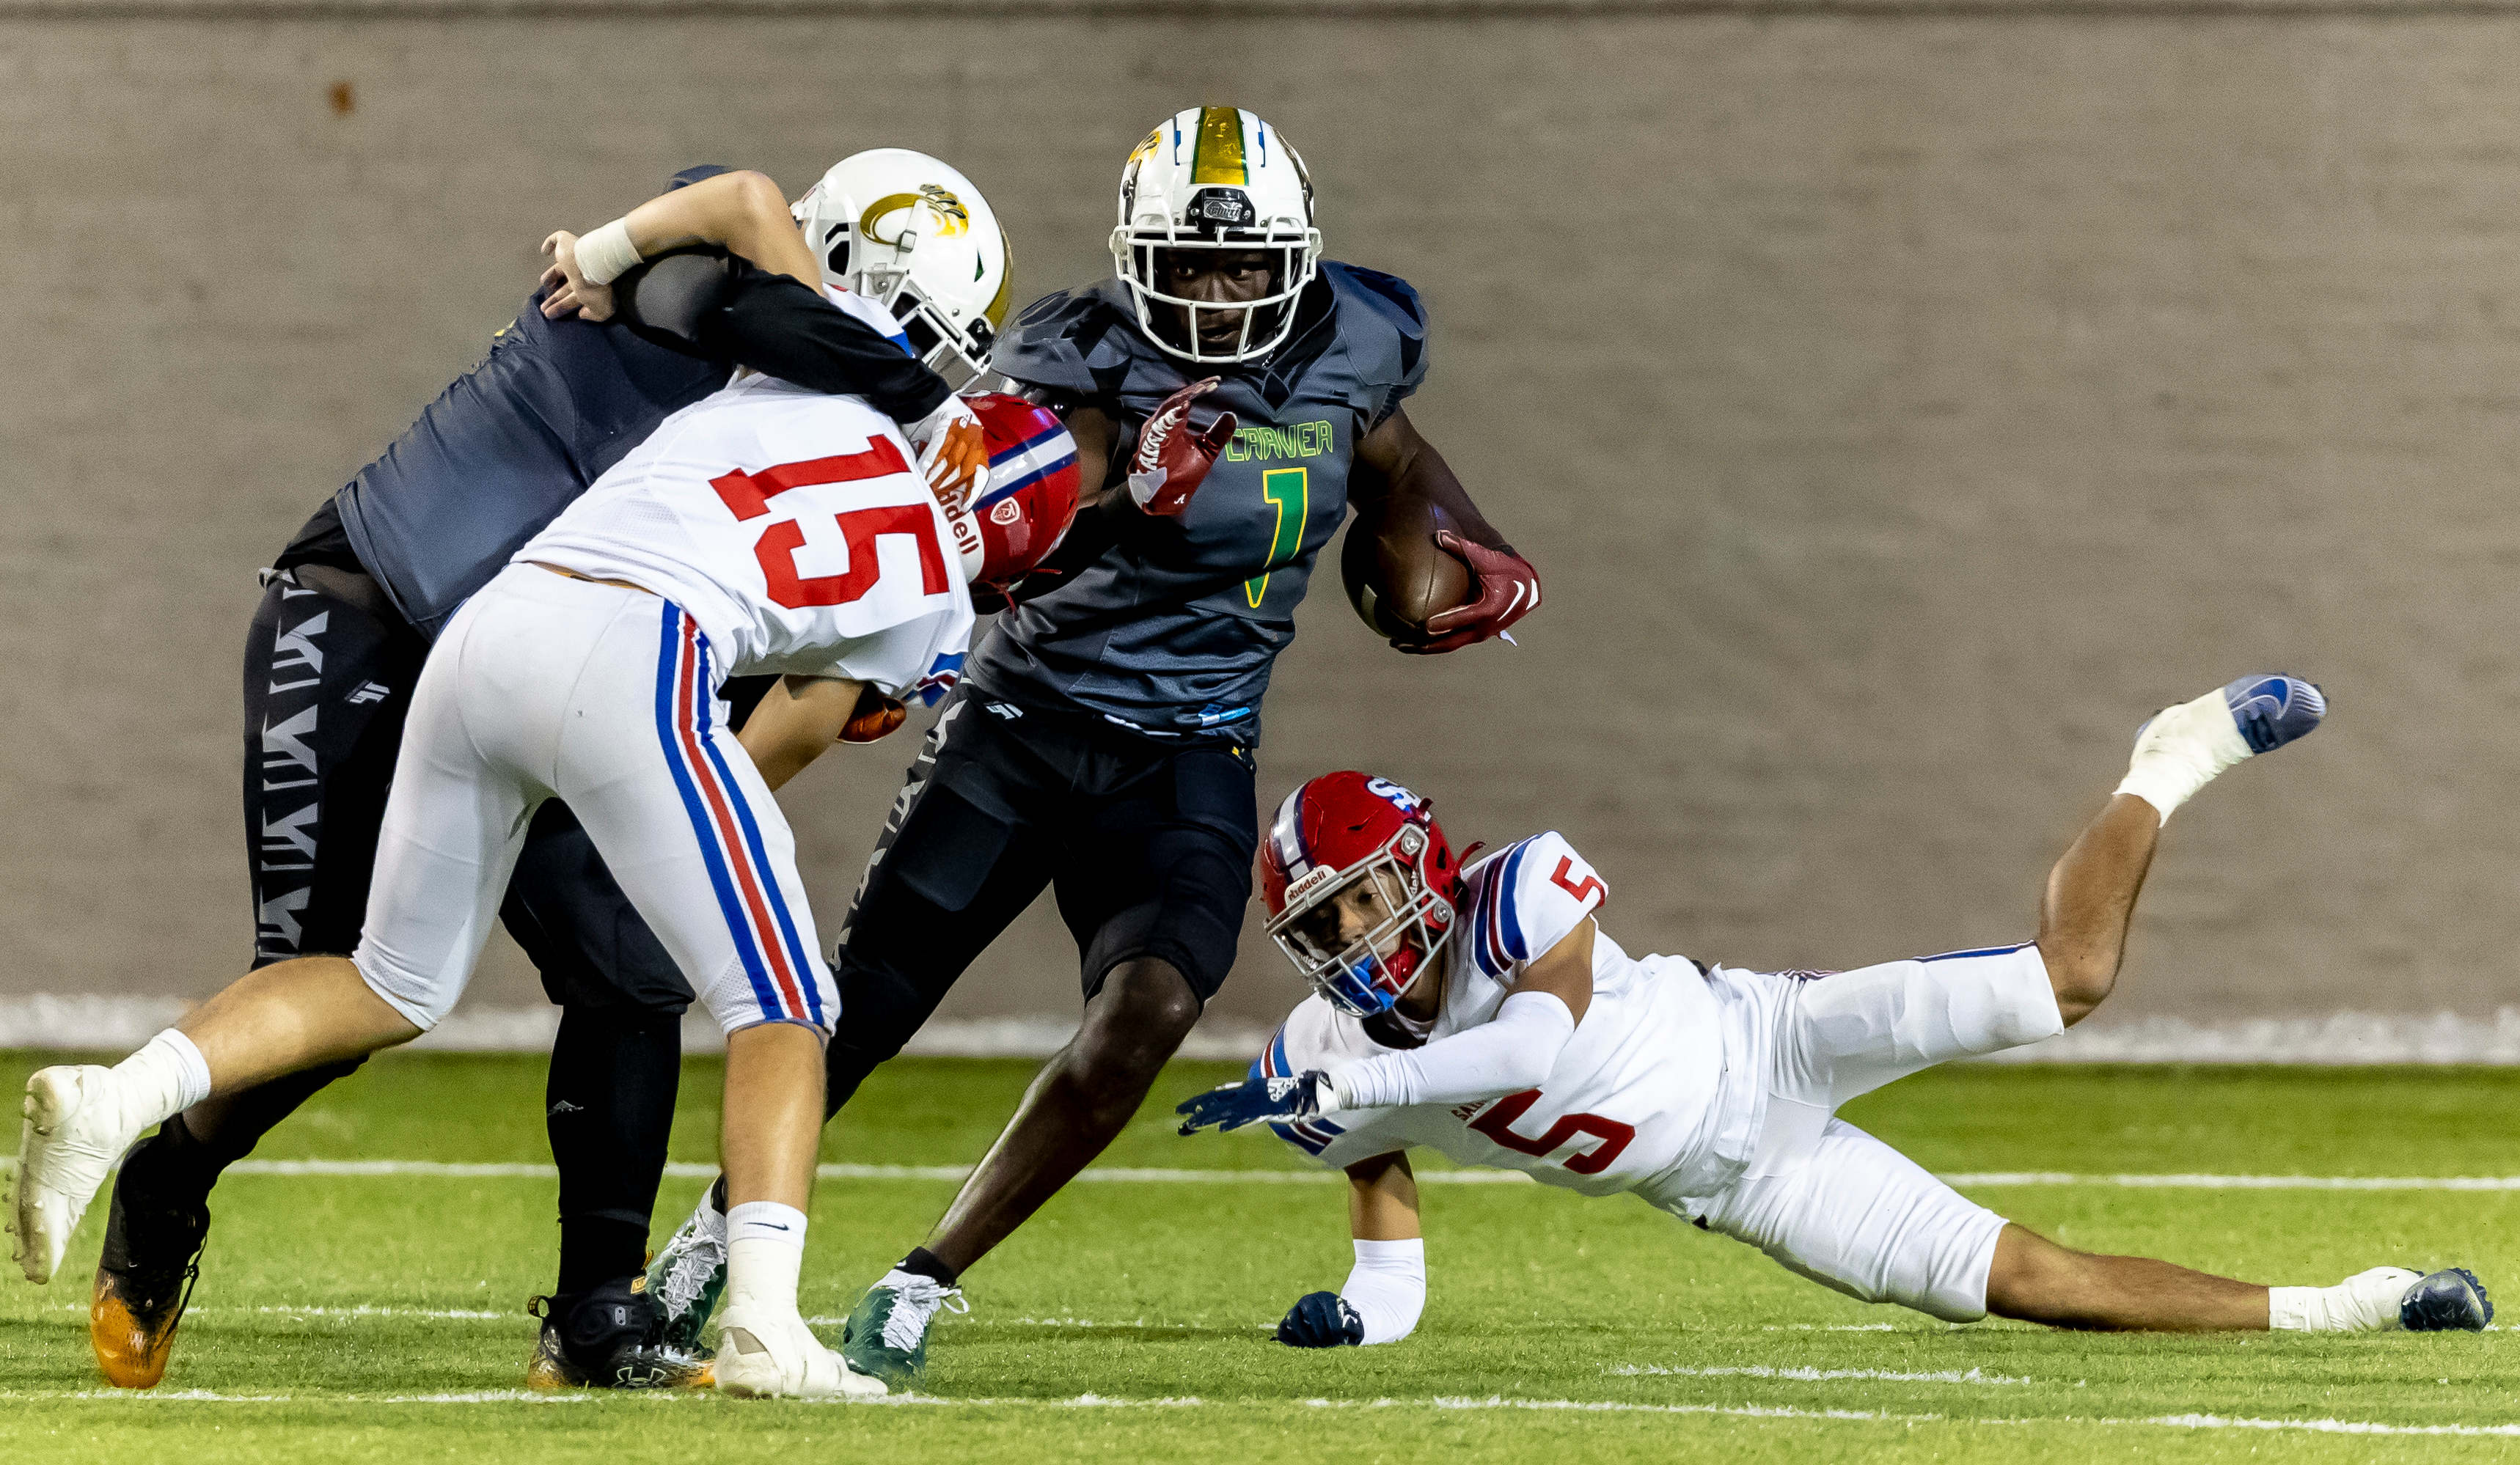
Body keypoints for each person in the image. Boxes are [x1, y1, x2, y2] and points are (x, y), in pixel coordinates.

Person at [40, 154, 1012, 1394]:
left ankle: (597, 1314)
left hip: (537, 654)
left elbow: (803, 694)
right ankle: (165, 1176)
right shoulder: (711, 290)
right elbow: (745, 219)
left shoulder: (794, 384)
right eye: (909, 329)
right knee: (336, 980)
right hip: (366, 613)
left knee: (627, 967)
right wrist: (613, 252)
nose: (896, 354)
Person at [640, 106, 1547, 1387]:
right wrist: (1127, 501)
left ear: (1299, 259)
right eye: (1189, 266)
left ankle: (922, 1277)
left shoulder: (1359, 334)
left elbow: (1391, 455)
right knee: (867, 1005)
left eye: (1246, 266)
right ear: (1135, 260)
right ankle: (704, 1244)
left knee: (1154, 1006)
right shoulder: (1071, 354)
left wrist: (1459, 547)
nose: (1222, 296)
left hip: (1190, 748)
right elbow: (997, 551)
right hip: (1023, 727)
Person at [1179, 677, 2494, 1343]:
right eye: (1320, 927)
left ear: (1421, 868)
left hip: (1765, 1033)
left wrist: (1356, 1087)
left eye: (1361, 902)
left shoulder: (1517, 890)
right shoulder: (1329, 1053)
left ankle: (2173, 754)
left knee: (2065, 982)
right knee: (2035, 1285)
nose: (1351, 943)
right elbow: (1382, 1188)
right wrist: (1365, 1307)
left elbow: (1533, 1043)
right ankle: (2357, 1305)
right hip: (1739, 1181)